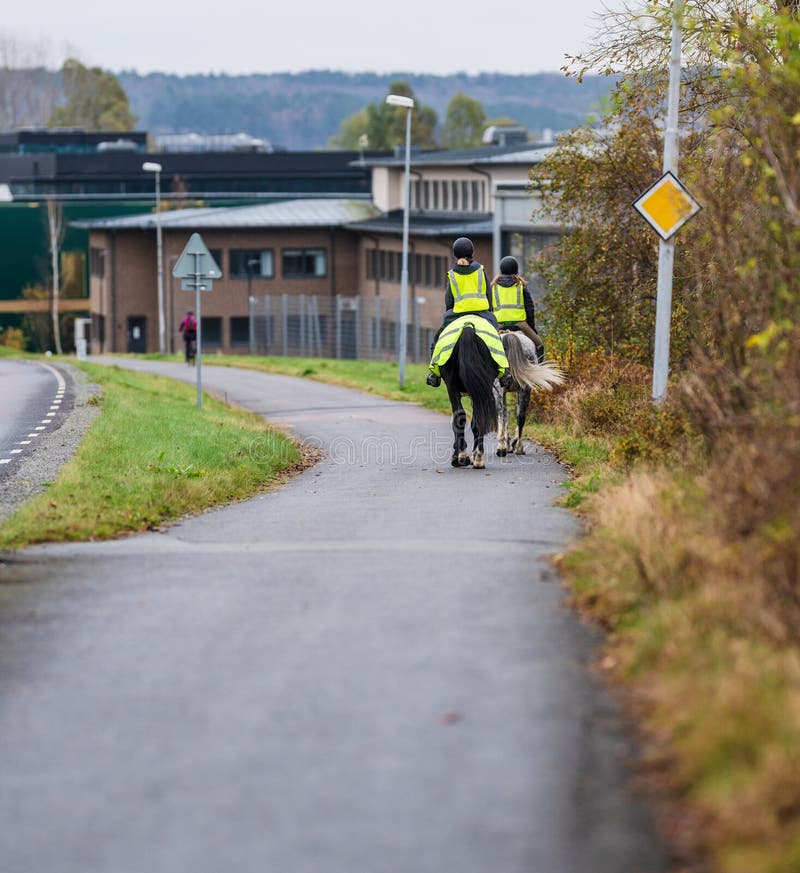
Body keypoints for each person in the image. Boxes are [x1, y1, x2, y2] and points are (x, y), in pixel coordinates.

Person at [426, 237, 512, 388]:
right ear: (472, 252)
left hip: (457, 314)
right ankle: (504, 373)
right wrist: (489, 312)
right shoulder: (480, 270)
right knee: (496, 338)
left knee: (438, 339)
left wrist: (450, 314)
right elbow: (488, 294)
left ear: (455, 254)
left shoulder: (452, 274)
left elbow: (449, 300)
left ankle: (434, 374)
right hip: (482, 313)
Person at [490, 256, 545, 362]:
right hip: (521, 325)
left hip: (499, 326)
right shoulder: (521, 286)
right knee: (539, 346)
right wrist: (532, 327)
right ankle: (539, 367)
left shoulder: (493, 288)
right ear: (516, 270)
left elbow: (489, 310)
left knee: (485, 348)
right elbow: (530, 309)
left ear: (501, 270)